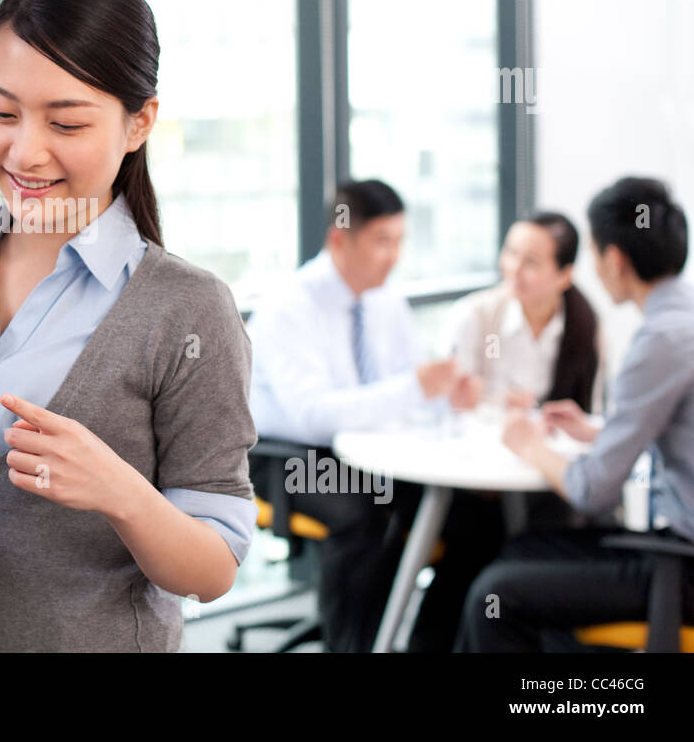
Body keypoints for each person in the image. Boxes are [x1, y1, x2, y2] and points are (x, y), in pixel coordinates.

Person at [0, 0, 258, 651]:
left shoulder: (189, 311)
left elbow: (213, 568)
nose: (25, 152)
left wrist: (119, 491)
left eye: (65, 123)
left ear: (139, 122)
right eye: (2, 112)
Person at [247, 180, 499, 652]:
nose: (394, 256)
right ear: (341, 238)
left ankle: (427, 643)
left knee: (474, 516)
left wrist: (445, 394)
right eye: (383, 242)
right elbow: (312, 415)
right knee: (366, 512)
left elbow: (404, 389)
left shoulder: (386, 301)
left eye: (400, 241)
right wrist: (414, 389)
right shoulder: (290, 306)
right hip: (289, 456)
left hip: (366, 455)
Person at [459, 177, 694, 651]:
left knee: (496, 592)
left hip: (683, 564)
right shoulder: (682, 319)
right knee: (519, 550)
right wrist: (598, 432)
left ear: (615, 260)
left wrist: (529, 445)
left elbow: (592, 489)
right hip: (679, 547)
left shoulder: (658, 342)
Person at [445, 212, 604, 414]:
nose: (514, 269)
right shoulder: (473, 316)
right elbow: (452, 405)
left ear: (564, 276)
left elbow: (592, 412)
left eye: (531, 262)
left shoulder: (586, 325)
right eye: (511, 252)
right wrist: (494, 403)